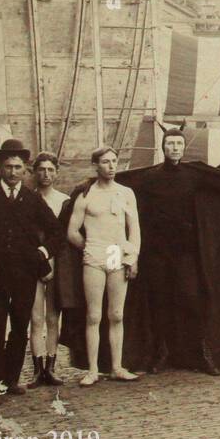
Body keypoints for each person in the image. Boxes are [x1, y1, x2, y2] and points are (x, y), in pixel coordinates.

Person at [0, 139, 60, 406]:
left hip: (24, 275)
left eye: (18, 167)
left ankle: (10, 379)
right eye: (8, 166)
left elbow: (56, 231)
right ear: (0, 167)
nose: (13, 172)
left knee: (19, 327)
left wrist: (42, 253)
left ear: (25, 170)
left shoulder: (32, 199)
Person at [132, 126, 219, 375]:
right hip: (157, 252)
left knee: (192, 299)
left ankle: (199, 352)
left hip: (185, 252)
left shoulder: (193, 174)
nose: (175, 148)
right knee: (160, 302)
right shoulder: (150, 176)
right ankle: (161, 352)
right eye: (170, 144)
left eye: (179, 144)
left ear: (184, 147)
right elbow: (124, 180)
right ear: (163, 146)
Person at [66, 145, 141, 386]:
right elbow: (72, 232)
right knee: (94, 315)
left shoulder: (126, 193)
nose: (111, 166)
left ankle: (117, 367)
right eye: (106, 162)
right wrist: (89, 248)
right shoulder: (86, 195)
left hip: (117, 256)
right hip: (95, 257)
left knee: (117, 314)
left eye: (114, 161)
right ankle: (92, 370)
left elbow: (134, 229)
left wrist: (132, 257)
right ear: (96, 165)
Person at [28, 152, 68, 386]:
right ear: (34, 172)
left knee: (53, 317)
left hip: (57, 263)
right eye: (41, 169)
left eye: (50, 170)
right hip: (34, 263)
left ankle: (51, 368)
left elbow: (62, 236)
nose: (46, 174)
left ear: (56, 172)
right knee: (36, 317)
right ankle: (37, 368)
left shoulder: (64, 201)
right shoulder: (28, 199)